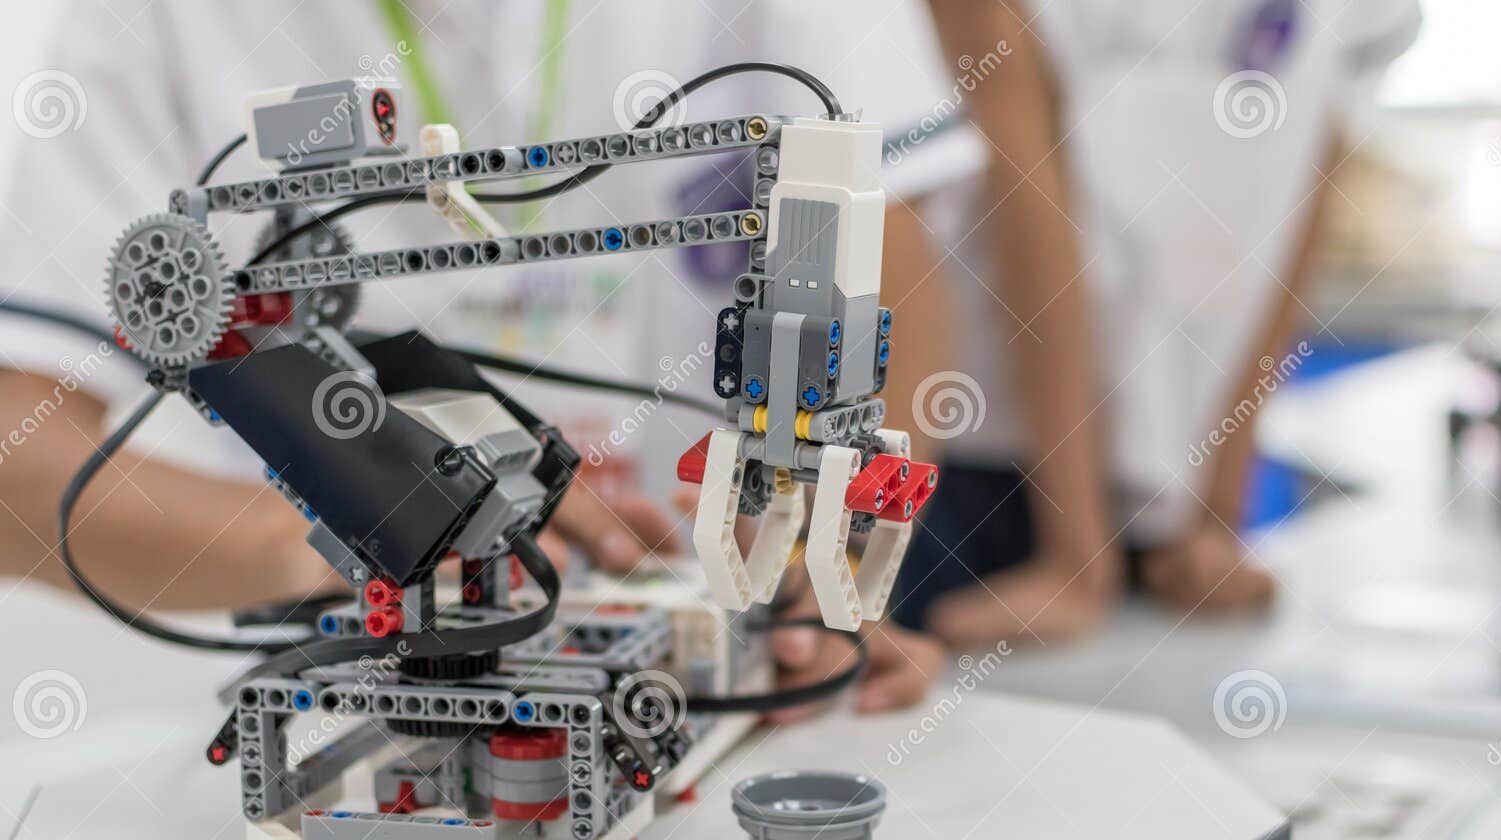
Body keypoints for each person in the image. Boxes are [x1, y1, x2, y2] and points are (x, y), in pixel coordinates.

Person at [0, 0, 974, 710]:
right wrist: (356, 536)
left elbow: (877, 249)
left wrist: (815, 570)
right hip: (368, 671)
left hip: (702, 631)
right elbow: (19, 465)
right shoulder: (149, 23)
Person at [906, 0, 1422, 647]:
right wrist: (1075, 554)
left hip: (1170, 486)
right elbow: (1026, 198)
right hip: (999, 468)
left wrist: (1216, 514)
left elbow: (1300, 195)